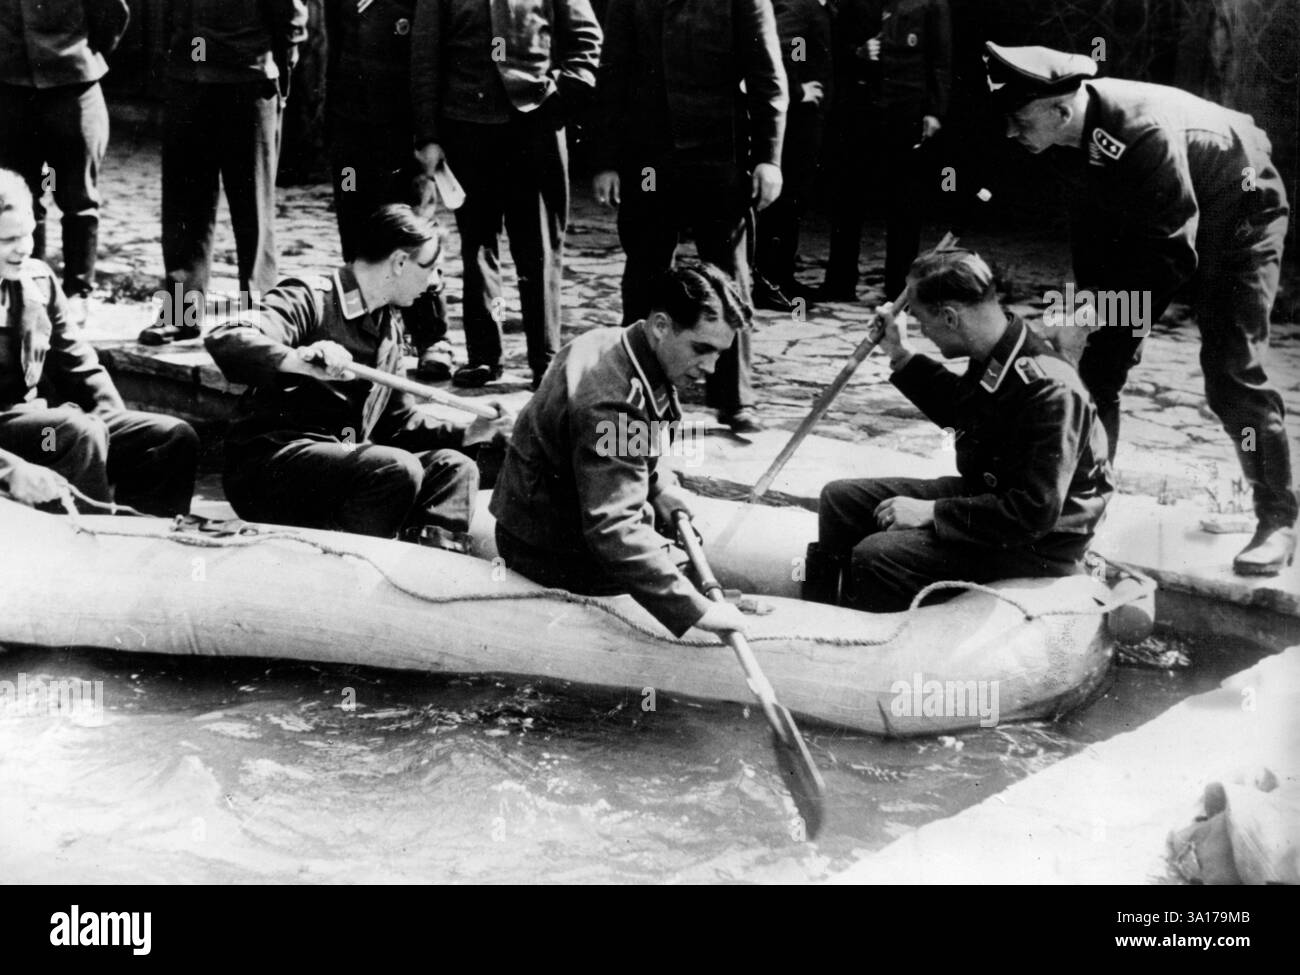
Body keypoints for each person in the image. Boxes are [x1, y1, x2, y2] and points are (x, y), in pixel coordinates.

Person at [984, 42, 1295, 576]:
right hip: (1167, 226)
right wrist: (1085, 309)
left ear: (1060, 109)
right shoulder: (1070, 135)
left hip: (1240, 216)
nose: (1010, 132)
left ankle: (1279, 519)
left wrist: (1095, 311)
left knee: (1232, 370)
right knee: (1096, 366)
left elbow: (1169, 255)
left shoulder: (1140, 130)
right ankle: (1082, 511)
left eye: (1017, 118)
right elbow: (1098, 234)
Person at [806, 248, 1112, 611]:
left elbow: (1034, 512)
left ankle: (879, 642)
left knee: (879, 556)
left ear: (950, 317)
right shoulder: (1000, 350)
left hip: (1042, 541)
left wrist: (934, 512)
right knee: (841, 501)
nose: (922, 332)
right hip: (990, 498)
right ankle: (821, 616)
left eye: (921, 321)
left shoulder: (1050, 388)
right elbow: (966, 410)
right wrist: (901, 354)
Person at [205, 204, 510, 547]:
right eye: (431, 268)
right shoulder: (311, 296)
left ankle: (427, 573)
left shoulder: (389, 330)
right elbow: (229, 336)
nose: (435, 282)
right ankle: (350, 567)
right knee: (394, 468)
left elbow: (398, 425)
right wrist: (298, 359)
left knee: (456, 468)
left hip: (340, 465)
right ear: (399, 262)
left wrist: (469, 432)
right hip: (270, 466)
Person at [491, 261, 750, 638]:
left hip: (545, 513)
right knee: (688, 572)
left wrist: (657, 486)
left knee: (687, 561)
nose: (711, 367)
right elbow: (613, 527)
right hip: (546, 549)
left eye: (719, 353)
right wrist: (696, 612)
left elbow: (623, 449)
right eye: (702, 348)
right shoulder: (613, 404)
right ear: (661, 326)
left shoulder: (618, 344)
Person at [592, 0, 788, 433]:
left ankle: (735, 397)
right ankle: (636, 391)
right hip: (648, 163)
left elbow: (768, 77)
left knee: (729, 280)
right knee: (644, 272)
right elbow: (613, 76)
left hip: (720, 156)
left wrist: (768, 159)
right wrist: (605, 160)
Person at [410, 0, 603, 390]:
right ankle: (484, 357)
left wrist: (563, 93)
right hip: (467, 125)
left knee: (539, 247)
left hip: (537, 127)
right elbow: (425, 55)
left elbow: (586, 38)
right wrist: (428, 135)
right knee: (477, 245)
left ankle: (544, 359)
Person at [0, 169, 198, 516]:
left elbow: (82, 368)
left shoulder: (37, 281)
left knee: (170, 437)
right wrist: (10, 471)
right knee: (75, 432)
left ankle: (143, 545)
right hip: (13, 440)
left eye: (28, 234)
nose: (23, 249)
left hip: (38, 427)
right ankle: (92, 550)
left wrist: (118, 438)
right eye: (7, 240)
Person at [138, 0, 309, 344]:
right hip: (187, 75)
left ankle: (261, 313)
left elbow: (290, 15)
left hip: (248, 76)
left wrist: (279, 66)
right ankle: (181, 312)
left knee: (253, 206)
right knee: (184, 203)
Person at [324, 0, 457, 381]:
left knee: (413, 233)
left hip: (402, 134)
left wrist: (430, 135)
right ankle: (370, 334)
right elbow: (335, 47)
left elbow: (433, 59)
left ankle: (433, 337)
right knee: (356, 232)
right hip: (351, 128)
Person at [0, 0, 131, 326]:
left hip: (72, 88)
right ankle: (27, 285)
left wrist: (78, 56)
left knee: (77, 197)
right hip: (11, 88)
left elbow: (112, 14)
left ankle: (77, 291)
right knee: (24, 197)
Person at [819, 0, 951, 303]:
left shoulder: (931, 3)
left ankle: (899, 288)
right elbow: (830, 44)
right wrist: (857, 51)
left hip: (907, 110)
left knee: (905, 204)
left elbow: (941, 60)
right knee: (847, 201)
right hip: (859, 109)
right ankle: (839, 283)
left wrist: (935, 112)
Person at [752, 0, 834, 313]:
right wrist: (800, 91)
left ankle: (781, 277)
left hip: (803, 122)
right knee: (785, 205)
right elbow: (781, 49)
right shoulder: (803, 8)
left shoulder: (812, 8)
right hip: (797, 123)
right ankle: (771, 282)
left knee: (792, 204)